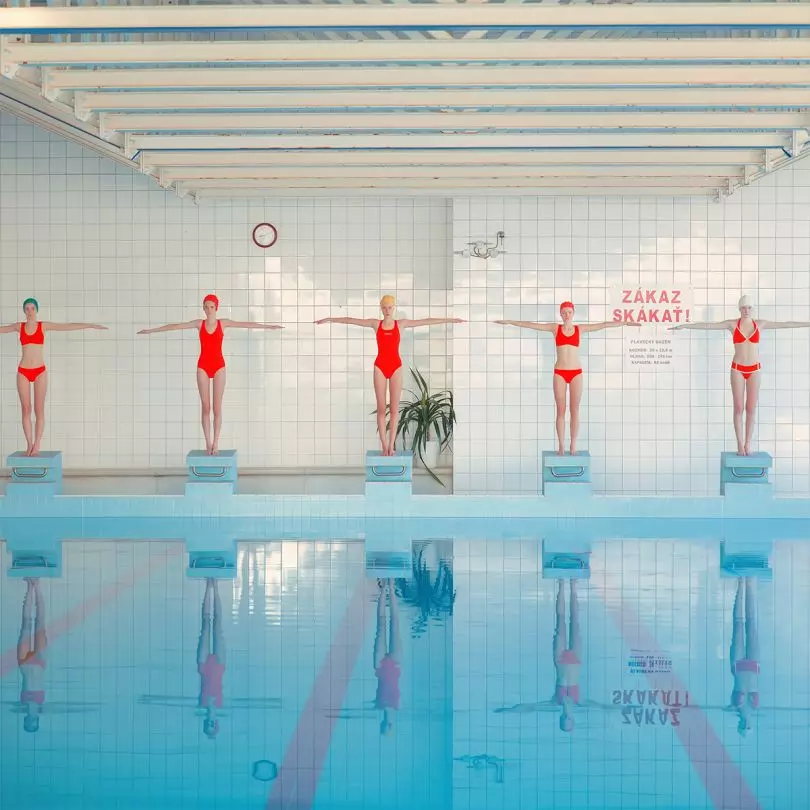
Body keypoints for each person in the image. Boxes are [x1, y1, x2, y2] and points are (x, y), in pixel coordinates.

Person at [315, 296, 464, 455]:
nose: (387, 310)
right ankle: (383, 445)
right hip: (380, 367)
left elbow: (425, 321)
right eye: (384, 307)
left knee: (394, 410)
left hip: (395, 367)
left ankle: (391, 445)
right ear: (381, 308)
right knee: (380, 409)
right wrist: (329, 319)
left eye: (390, 307)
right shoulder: (375, 324)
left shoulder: (401, 324)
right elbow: (351, 320)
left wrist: (450, 319)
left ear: (394, 308)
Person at [138, 295, 283, 455]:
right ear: (203, 308)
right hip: (203, 367)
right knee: (206, 407)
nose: (208, 310)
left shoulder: (223, 323)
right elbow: (175, 326)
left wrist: (269, 327)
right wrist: (151, 331)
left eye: (211, 307)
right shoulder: (199, 324)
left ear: (216, 307)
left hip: (219, 366)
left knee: (217, 408)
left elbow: (246, 324)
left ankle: (216, 442)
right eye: (206, 307)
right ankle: (208, 442)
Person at [669, 294, 810, 455]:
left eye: (749, 307)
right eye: (743, 308)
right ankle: (739, 444)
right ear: (739, 309)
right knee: (738, 408)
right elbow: (709, 325)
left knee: (751, 408)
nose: (746, 310)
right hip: (737, 368)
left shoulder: (760, 324)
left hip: (754, 369)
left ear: (753, 309)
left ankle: (748, 443)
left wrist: (807, 323)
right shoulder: (732, 324)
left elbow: (786, 325)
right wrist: (685, 326)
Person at [495, 302, 640, 455]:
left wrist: (625, 323)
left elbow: (603, 325)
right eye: (564, 312)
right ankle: (561, 445)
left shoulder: (580, 329)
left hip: (576, 373)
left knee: (575, 410)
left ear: (573, 313)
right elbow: (532, 325)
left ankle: (573, 444)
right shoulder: (555, 328)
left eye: (569, 312)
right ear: (561, 314)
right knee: (560, 411)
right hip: (560, 373)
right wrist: (510, 322)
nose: (567, 315)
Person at [0, 298, 107, 456]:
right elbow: (1, 329)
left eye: (32, 308)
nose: (29, 312)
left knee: (39, 409)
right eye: (27, 309)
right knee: (26, 409)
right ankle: (29, 443)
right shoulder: (19, 326)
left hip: (39, 372)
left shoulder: (43, 326)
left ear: (36, 310)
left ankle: (37, 443)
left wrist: (89, 325)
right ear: (24, 311)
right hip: (23, 370)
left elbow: (66, 327)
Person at [729, 577, 760, 737]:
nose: (746, 724)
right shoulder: (754, 708)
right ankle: (748, 584)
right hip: (752, 666)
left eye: (744, 727)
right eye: (748, 727)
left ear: (740, 725)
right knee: (750, 623)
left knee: (740, 624)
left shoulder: (735, 707)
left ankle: (742, 584)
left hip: (740, 665)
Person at [17, 578, 47, 733]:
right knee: (30, 622)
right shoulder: (26, 707)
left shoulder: (36, 708)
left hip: (35, 665)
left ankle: (33, 586)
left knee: (36, 623)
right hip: (28, 665)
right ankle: (33, 585)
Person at [197, 578, 226, 740]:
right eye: (212, 726)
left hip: (203, 668)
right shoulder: (221, 706)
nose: (210, 723)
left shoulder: (201, 706)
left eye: (208, 726)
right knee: (217, 626)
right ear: (216, 723)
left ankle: (209, 587)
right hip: (219, 667)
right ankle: (216, 586)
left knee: (206, 625)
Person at [374, 578, 402, 736]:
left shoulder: (381, 705)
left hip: (385, 668)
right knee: (388, 625)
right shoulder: (390, 706)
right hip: (390, 667)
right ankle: (388, 588)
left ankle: (387, 588)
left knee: (384, 626)